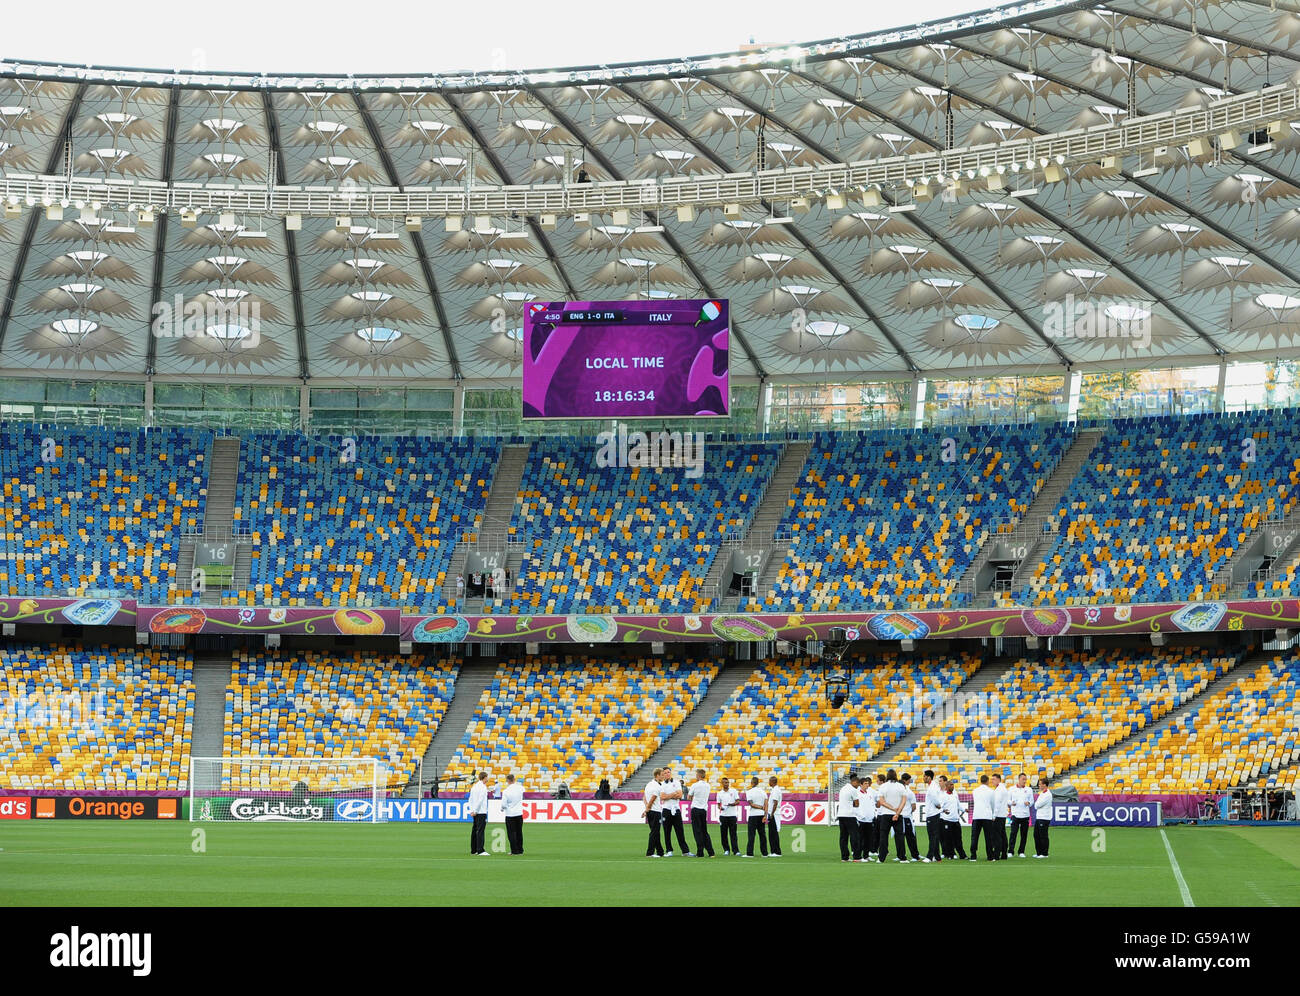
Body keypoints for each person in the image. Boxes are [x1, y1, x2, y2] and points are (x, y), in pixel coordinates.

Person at [876, 768, 908, 863]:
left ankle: (881, 858)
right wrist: (897, 812)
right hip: (898, 815)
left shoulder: (883, 786)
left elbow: (882, 802)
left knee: (883, 836)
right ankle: (902, 857)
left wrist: (892, 808)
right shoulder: (901, 786)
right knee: (900, 836)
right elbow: (904, 801)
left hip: (885, 814)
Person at [660, 767, 691, 856]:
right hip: (666, 810)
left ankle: (685, 851)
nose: (667, 774)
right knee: (667, 831)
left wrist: (668, 796)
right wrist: (673, 794)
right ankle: (669, 850)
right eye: (665, 773)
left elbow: (680, 795)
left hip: (676, 809)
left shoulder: (676, 782)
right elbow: (662, 797)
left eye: (668, 772)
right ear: (663, 774)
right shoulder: (662, 784)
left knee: (680, 831)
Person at [687, 769, 715, 857]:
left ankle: (700, 852)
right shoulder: (708, 786)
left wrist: (693, 798)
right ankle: (711, 852)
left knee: (697, 831)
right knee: (704, 831)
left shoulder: (694, 785)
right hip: (704, 810)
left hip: (696, 809)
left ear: (698, 775)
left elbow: (689, 797)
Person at [970, 774, 996, 861]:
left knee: (975, 837)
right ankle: (990, 856)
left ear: (980, 781)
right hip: (987, 816)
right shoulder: (991, 791)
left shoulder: (975, 791)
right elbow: (993, 804)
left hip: (977, 815)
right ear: (988, 781)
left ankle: (973, 856)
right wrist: (993, 815)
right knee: (989, 837)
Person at [837, 773, 861, 862]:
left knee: (843, 837)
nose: (858, 786)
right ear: (854, 782)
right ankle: (857, 857)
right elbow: (857, 803)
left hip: (841, 815)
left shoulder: (843, 788)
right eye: (858, 784)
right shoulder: (853, 790)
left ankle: (844, 857)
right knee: (855, 836)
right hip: (850, 815)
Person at [940, 777, 967, 860]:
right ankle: (950, 855)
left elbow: (958, 805)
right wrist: (943, 811)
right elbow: (939, 807)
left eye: (953, 785)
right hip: (947, 820)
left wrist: (964, 810)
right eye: (951, 785)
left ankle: (962, 855)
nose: (953, 786)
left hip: (955, 820)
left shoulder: (955, 795)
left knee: (958, 839)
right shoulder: (943, 796)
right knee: (948, 839)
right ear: (947, 786)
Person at [1008, 773, 1033, 858]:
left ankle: (1021, 851)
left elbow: (1032, 802)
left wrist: (1028, 803)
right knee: (1013, 834)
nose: (1024, 781)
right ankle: (1010, 851)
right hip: (1015, 814)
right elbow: (1007, 800)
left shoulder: (1029, 789)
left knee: (1024, 834)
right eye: (1023, 779)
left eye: (1025, 779)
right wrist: (1011, 803)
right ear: (1018, 779)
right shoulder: (1011, 789)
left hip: (1025, 815)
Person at [922, 769, 944, 863]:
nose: (923, 778)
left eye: (924, 776)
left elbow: (935, 798)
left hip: (933, 814)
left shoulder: (932, 787)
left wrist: (938, 805)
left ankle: (930, 856)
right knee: (933, 836)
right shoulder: (932, 786)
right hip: (932, 813)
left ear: (929, 777)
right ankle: (937, 856)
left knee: (933, 836)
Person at [744, 776, 768, 857]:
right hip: (761, 815)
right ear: (758, 783)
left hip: (753, 815)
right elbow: (766, 804)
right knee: (762, 835)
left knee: (751, 835)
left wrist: (760, 807)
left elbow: (751, 804)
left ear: (752, 783)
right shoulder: (763, 792)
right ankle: (764, 853)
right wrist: (765, 815)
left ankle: (750, 853)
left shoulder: (749, 792)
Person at [900, 773, 922, 861]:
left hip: (899, 816)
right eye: (909, 780)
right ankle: (915, 856)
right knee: (910, 837)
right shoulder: (909, 792)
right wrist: (908, 811)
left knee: (900, 837)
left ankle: (901, 855)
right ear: (906, 780)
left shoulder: (899, 791)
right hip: (906, 817)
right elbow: (914, 807)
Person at [643, 767, 665, 857]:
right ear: (657, 775)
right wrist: (647, 808)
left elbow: (644, 797)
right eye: (662, 775)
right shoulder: (657, 786)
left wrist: (646, 808)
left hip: (650, 811)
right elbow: (653, 798)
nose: (663, 776)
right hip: (655, 811)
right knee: (654, 832)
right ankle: (650, 852)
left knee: (655, 831)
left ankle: (660, 851)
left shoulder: (649, 784)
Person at [856, 773, 878, 862]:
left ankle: (866, 855)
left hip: (869, 819)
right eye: (865, 783)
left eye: (868, 783)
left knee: (869, 839)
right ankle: (859, 855)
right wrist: (860, 816)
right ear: (861, 784)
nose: (867, 785)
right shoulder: (857, 794)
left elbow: (872, 804)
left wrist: (873, 814)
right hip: (861, 820)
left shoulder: (869, 793)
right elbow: (856, 806)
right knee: (861, 839)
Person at [501, 773, 524, 855]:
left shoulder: (506, 791)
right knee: (519, 832)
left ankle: (514, 850)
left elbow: (503, 804)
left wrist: (502, 808)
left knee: (511, 833)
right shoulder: (520, 788)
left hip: (510, 814)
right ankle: (520, 849)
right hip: (519, 813)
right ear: (514, 779)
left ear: (507, 781)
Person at [467, 770, 489, 856]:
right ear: (484, 778)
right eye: (487, 777)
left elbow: (470, 799)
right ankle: (480, 850)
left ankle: (474, 849)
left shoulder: (474, 787)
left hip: (475, 811)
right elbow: (480, 800)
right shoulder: (483, 787)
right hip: (481, 811)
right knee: (480, 831)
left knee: (474, 830)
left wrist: (471, 810)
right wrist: (475, 811)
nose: (487, 779)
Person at [717, 776, 740, 856]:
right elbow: (718, 805)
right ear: (722, 783)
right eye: (725, 782)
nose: (726, 784)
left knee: (733, 834)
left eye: (727, 782)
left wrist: (732, 804)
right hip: (723, 816)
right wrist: (721, 808)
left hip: (732, 815)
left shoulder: (733, 791)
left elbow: (738, 801)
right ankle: (726, 850)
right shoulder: (719, 793)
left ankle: (736, 850)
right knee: (724, 834)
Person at [991, 772, 1010, 860]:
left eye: (994, 779)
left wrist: (994, 815)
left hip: (998, 815)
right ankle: (1004, 853)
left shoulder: (999, 790)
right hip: (1002, 815)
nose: (992, 781)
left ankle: (997, 853)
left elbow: (997, 803)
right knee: (1002, 834)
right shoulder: (1003, 788)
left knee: (997, 835)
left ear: (998, 779)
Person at [1033, 776, 1053, 858]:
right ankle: (1039, 853)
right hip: (1039, 817)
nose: (1039, 786)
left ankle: (1044, 853)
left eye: (1040, 784)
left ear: (1045, 785)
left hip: (1044, 818)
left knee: (1043, 835)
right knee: (1036, 835)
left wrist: (1037, 804)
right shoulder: (1042, 794)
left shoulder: (1048, 795)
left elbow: (1037, 805)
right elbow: (1036, 805)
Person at [766, 775, 783, 857]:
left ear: (772, 782)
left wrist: (772, 813)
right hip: (773, 813)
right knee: (772, 833)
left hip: (774, 814)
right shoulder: (774, 790)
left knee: (774, 833)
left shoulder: (776, 790)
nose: (768, 782)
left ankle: (776, 851)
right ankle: (773, 851)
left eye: (769, 781)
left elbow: (775, 803)